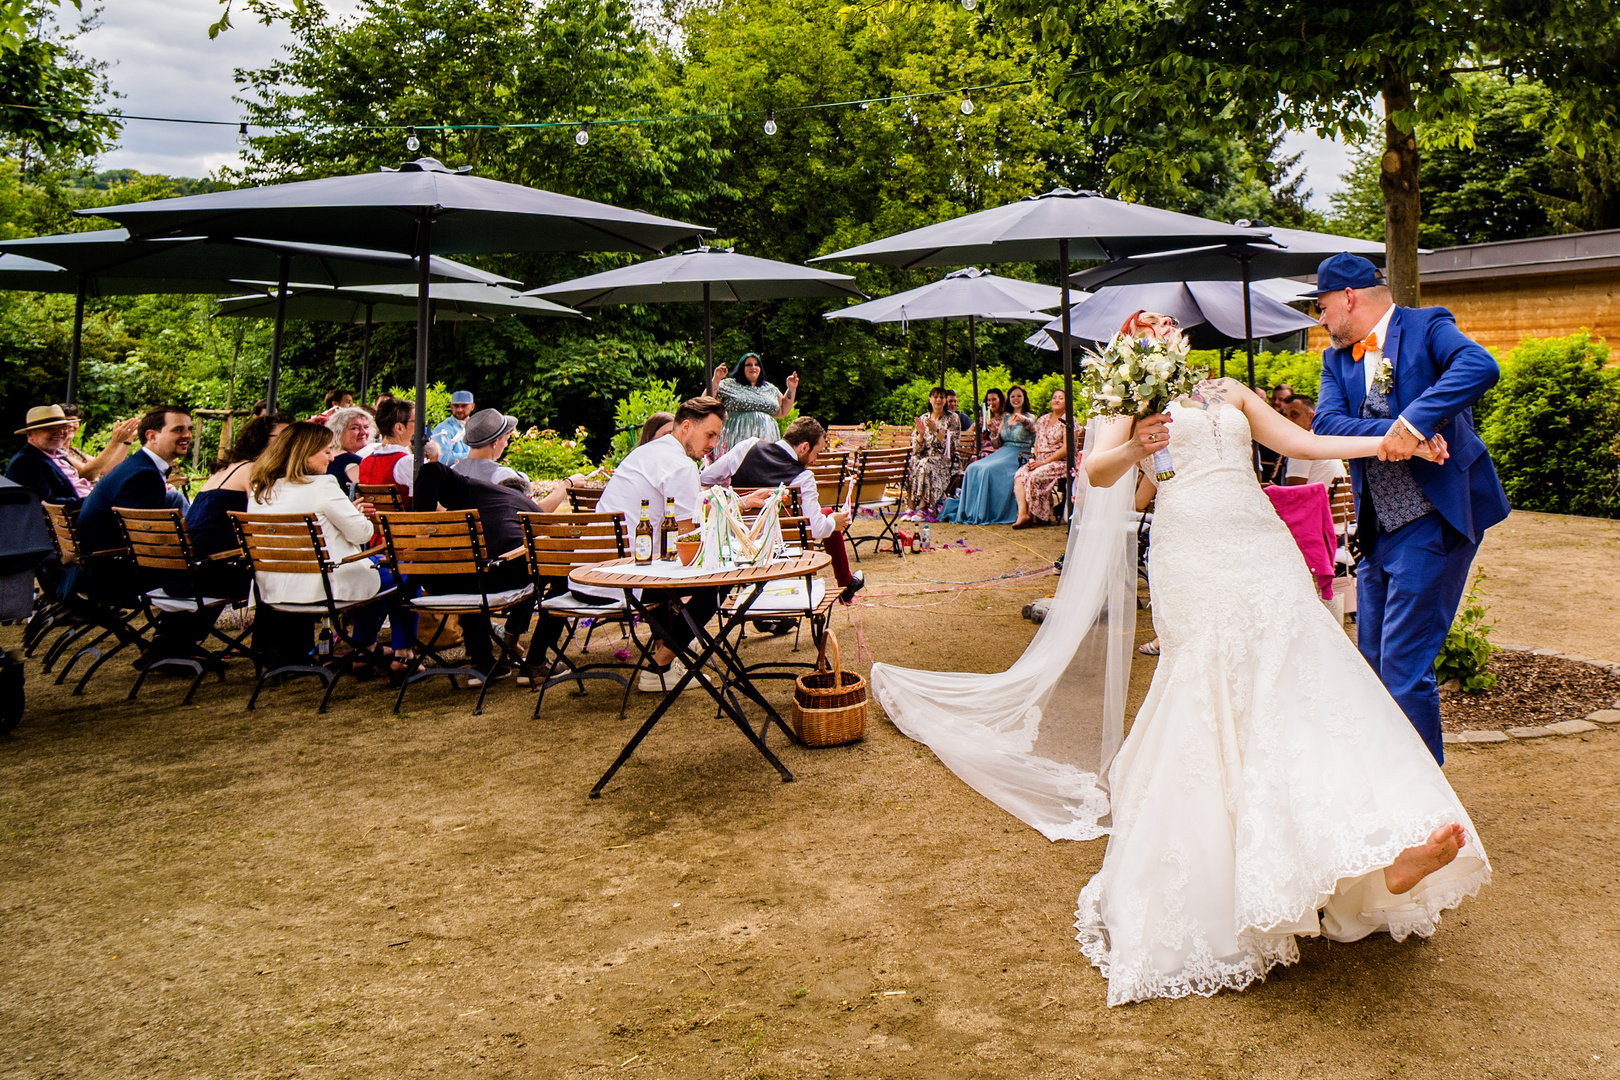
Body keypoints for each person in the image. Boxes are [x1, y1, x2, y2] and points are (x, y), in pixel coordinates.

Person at [871, 311, 1488, 1008]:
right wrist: (1134, 444)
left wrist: (1395, 439)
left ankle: (1369, 863)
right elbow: (1095, 475)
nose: (1166, 327)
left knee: (1302, 681)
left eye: (1171, 322)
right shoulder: (1129, 401)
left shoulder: (1229, 392)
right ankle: (1242, 880)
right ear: (1135, 344)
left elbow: (1306, 437)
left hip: (1260, 546)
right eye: (1150, 323)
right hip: (1192, 552)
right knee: (1212, 692)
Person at [1309, 251, 1510, 763]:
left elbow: (1478, 365)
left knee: (1403, 663)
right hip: (1377, 530)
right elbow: (1326, 427)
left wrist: (1416, 421)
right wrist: (1401, 435)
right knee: (1373, 662)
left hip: (1434, 518)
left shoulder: (1427, 326)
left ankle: (1429, 803)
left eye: (1322, 305)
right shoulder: (1336, 360)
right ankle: (1391, 785)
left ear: (1348, 296)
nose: (1322, 317)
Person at [580, 396, 760, 691]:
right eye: (710, 434)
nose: (713, 444)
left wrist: (738, 503)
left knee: (679, 576)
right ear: (686, 427)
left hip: (594, 575)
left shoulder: (647, 453)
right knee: (721, 580)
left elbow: (687, 511)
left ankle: (672, 650)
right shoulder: (680, 465)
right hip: (621, 581)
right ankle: (660, 666)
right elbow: (688, 541)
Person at [248, 421, 414, 670]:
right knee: (404, 569)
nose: (330, 457)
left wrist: (348, 512)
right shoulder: (323, 485)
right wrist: (357, 515)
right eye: (325, 450)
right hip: (326, 587)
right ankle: (402, 654)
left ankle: (365, 649)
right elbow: (361, 534)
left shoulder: (260, 489)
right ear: (304, 454)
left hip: (273, 590)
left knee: (378, 570)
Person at [75, 406, 210, 663]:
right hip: (114, 575)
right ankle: (175, 645)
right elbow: (152, 542)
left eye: (189, 429)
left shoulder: (138, 465)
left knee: (205, 564)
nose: (187, 435)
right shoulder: (142, 475)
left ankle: (169, 641)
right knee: (220, 570)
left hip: (108, 564)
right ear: (151, 435)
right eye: (177, 429)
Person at [700, 416, 866, 603]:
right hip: (782, 544)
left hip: (738, 541)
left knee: (825, 514)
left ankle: (847, 582)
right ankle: (846, 583)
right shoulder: (803, 478)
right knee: (828, 515)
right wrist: (834, 522)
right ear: (804, 447)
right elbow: (817, 530)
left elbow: (705, 479)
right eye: (816, 453)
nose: (815, 461)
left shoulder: (747, 447)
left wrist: (731, 494)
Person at [413, 462, 542, 684]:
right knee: (538, 567)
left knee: (472, 567)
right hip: (498, 582)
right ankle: (522, 648)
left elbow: (430, 470)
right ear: (529, 497)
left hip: (439, 582)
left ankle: (482, 659)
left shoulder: (474, 490)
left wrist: (419, 526)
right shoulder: (530, 507)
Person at [949, 384, 1034, 525]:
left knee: (988, 470)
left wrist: (1023, 420)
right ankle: (972, 510)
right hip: (1002, 451)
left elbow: (1032, 427)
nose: (1016, 399)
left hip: (1019, 454)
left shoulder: (1030, 417)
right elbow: (996, 444)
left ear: (1024, 398)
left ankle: (988, 511)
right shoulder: (1006, 417)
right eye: (1013, 396)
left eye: (1019, 396)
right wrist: (994, 432)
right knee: (972, 468)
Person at [710, 352, 797, 454]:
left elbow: (782, 410)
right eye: (749, 365)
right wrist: (715, 379)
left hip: (765, 441)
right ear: (741, 368)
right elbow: (707, 400)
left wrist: (791, 388)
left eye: (756, 364)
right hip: (735, 440)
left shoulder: (770, 388)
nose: (753, 367)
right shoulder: (728, 384)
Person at [7, 405, 91, 505]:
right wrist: (93, 501)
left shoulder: (59, 456)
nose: (60, 432)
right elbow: (47, 503)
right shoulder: (26, 461)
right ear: (30, 434)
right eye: (50, 429)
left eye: (63, 427)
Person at [1012, 390, 1072, 528]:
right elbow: (1036, 443)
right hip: (1040, 460)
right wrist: (1033, 459)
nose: (1056, 400)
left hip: (1059, 462)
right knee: (1020, 475)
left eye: (1061, 398)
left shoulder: (1069, 420)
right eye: (1054, 397)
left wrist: (1044, 462)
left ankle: (1035, 513)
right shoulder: (1042, 420)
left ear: (1066, 402)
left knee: (1034, 476)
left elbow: (1066, 448)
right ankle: (1023, 514)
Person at [905, 386, 960, 515]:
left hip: (943, 458)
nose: (938, 400)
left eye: (941, 397)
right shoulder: (924, 418)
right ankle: (910, 507)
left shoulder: (952, 418)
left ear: (946, 400)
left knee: (927, 464)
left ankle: (923, 507)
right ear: (930, 399)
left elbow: (951, 446)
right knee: (911, 462)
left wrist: (936, 431)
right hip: (924, 455)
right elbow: (916, 449)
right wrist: (920, 434)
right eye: (935, 397)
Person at [357, 397, 418, 507]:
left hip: (376, 522)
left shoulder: (365, 462)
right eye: (416, 421)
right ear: (399, 427)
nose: (420, 426)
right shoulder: (408, 462)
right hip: (405, 522)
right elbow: (429, 504)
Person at [1278, 394, 1346, 489]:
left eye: (1294, 414)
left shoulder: (1302, 444)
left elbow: (1292, 492)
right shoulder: (1322, 439)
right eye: (1285, 415)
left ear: (1311, 417)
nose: (1288, 420)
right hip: (1334, 502)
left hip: (1319, 503)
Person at [58, 405, 140, 484]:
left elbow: (108, 468)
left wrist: (127, 440)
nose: (71, 425)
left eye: (75, 421)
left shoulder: (74, 451)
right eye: (67, 421)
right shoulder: (55, 453)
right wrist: (115, 442)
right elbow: (88, 474)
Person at [324, 406, 373, 487]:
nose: (363, 432)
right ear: (337, 432)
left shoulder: (324, 458)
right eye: (355, 428)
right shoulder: (351, 461)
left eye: (366, 427)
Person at [430, 390, 476, 465]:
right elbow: (443, 459)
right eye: (456, 406)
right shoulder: (442, 429)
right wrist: (476, 455)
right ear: (451, 406)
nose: (459, 410)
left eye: (464, 406)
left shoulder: (477, 427)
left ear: (472, 406)